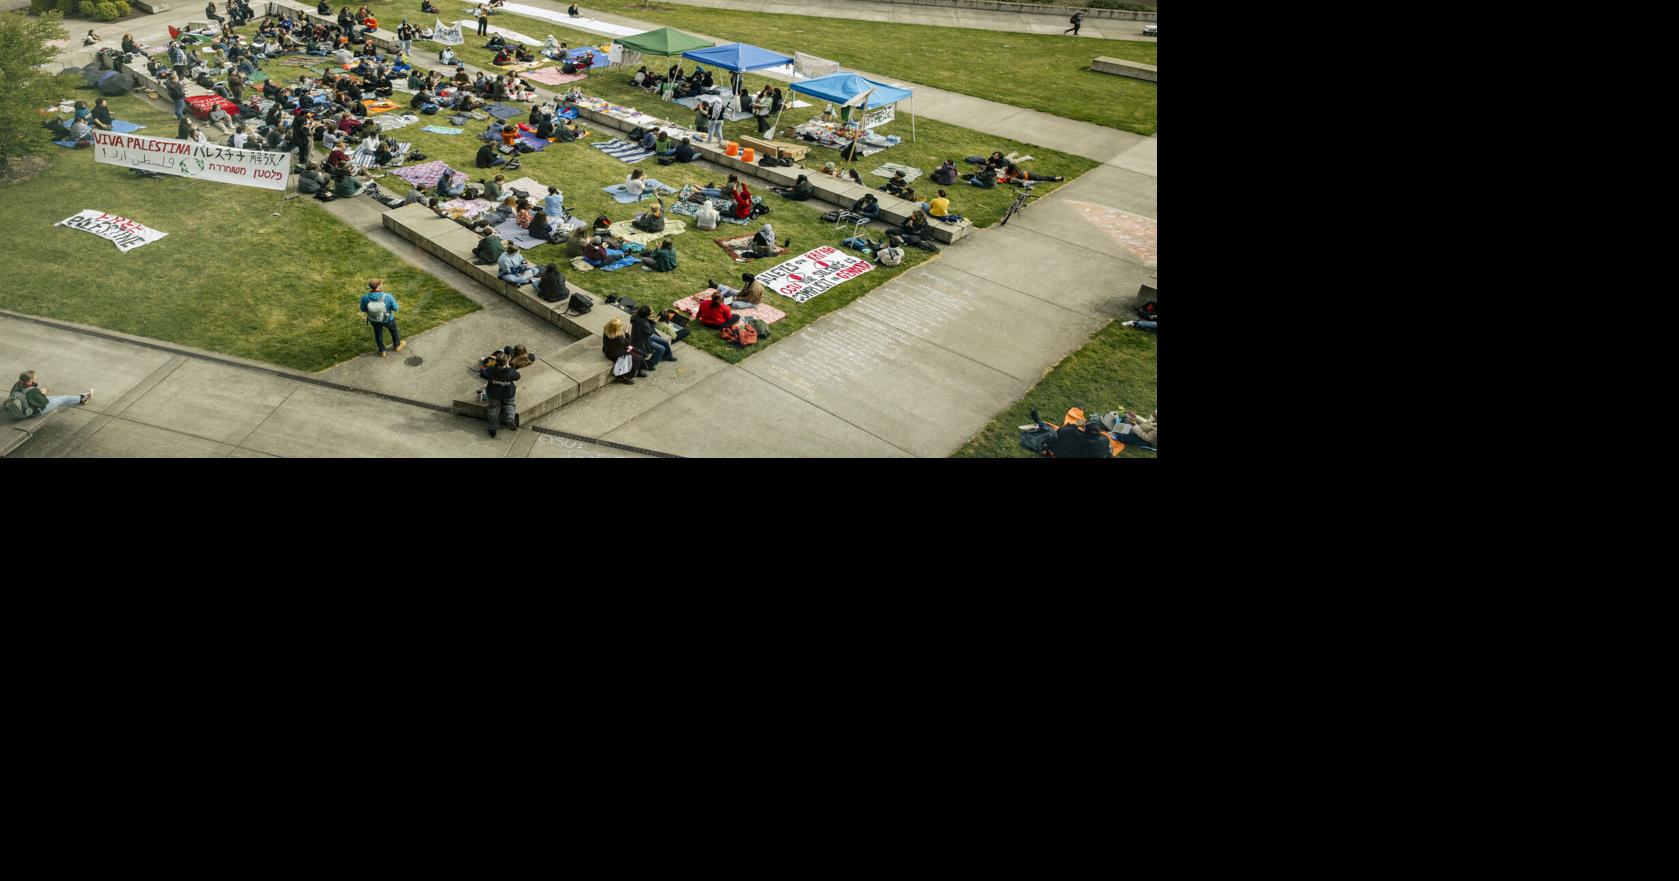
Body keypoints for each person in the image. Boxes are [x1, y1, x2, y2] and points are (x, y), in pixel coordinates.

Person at [6, 371, 91, 420]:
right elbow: (44, 402)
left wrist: (38, 393)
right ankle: (82, 399)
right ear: (31, 379)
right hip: (36, 411)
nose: (36, 377)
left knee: (57, 398)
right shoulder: (33, 391)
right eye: (34, 377)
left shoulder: (17, 384)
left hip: (26, 406)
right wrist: (43, 392)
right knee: (64, 398)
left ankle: (79, 399)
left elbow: (27, 395)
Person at [359, 279, 405, 356]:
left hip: (374, 320)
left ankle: (382, 351)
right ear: (379, 286)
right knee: (394, 331)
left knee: (378, 334)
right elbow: (395, 308)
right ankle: (397, 346)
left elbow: (363, 309)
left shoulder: (365, 297)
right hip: (388, 319)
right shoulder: (388, 296)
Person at [482, 352, 520, 437]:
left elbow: (482, 373)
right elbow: (518, 376)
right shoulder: (510, 372)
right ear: (506, 362)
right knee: (509, 404)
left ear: (496, 361)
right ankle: (510, 418)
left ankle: (492, 428)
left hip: (493, 393)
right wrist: (509, 368)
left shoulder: (491, 370)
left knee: (493, 409)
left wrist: (486, 364)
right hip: (507, 393)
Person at [631, 305, 674, 370]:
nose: (653, 312)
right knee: (661, 349)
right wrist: (655, 322)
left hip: (644, 335)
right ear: (646, 314)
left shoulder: (638, 316)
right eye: (651, 311)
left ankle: (668, 356)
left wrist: (650, 320)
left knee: (664, 342)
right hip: (642, 340)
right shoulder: (643, 323)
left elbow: (647, 325)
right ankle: (649, 364)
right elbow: (651, 331)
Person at [602, 317, 642, 385]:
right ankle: (626, 376)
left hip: (608, 350)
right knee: (637, 358)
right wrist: (626, 332)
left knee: (638, 352)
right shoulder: (619, 339)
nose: (621, 326)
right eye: (620, 325)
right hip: (617, 354)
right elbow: (628, 342)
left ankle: (638, 370)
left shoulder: (606, 329)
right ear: (616, 329)